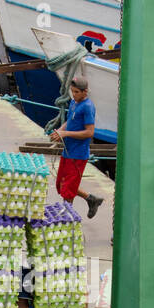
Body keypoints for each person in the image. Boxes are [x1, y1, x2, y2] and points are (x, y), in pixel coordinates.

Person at [50, 74, 104, 218]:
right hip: (68, 150)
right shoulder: (74, 103)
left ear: (85, 92)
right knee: (61, 183)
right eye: (72, 91)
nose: (73, 95)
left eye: (77, 92)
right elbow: (70, 121)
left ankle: (66, 215)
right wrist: (60, 131)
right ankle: (91, 199)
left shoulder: (87, 107)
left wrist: (66, 134)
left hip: (78, 154)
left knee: (68, 187)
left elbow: (89, 132)